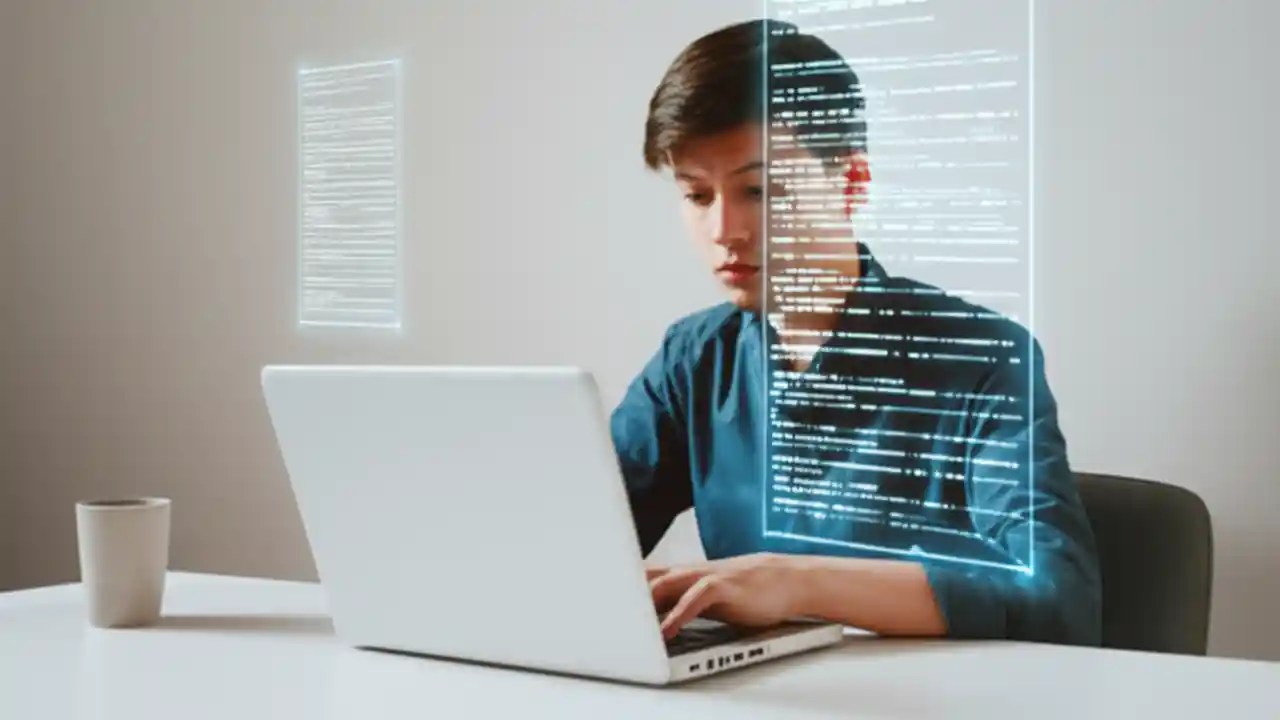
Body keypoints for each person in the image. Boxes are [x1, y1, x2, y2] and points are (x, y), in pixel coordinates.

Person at [615, 19, 1102, 645]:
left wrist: (799, 583)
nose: (724, 230)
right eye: (697, 195)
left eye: (760, 190)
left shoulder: (983, 357)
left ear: (850, 183)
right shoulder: (694, 359)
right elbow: (578, 541)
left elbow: (1059, 597)